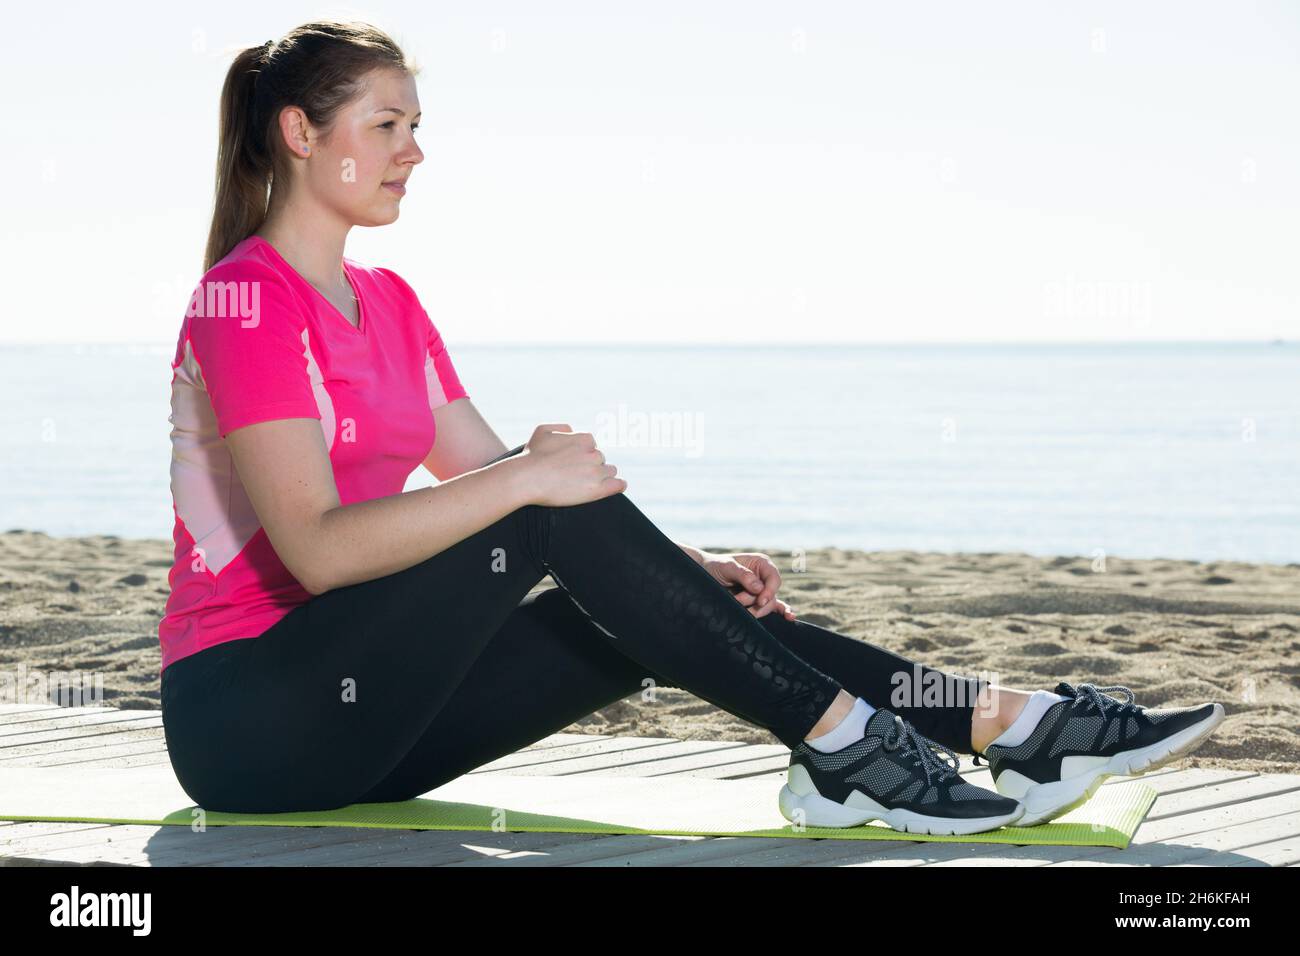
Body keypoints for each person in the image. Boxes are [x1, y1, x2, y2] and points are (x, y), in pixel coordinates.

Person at [159, 19, 1225, 837]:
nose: (413, 152)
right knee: (545, 503)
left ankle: (1004, 722)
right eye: (385, 126)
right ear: (301, 133)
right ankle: (852, 747)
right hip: (252, 724)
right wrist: (535, 480)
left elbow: (484, 477)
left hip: (377, 733)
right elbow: (319, 546)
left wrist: (678, 566)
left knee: (631, 605)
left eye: (417, 128)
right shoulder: (243, 303)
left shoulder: (388, 301)